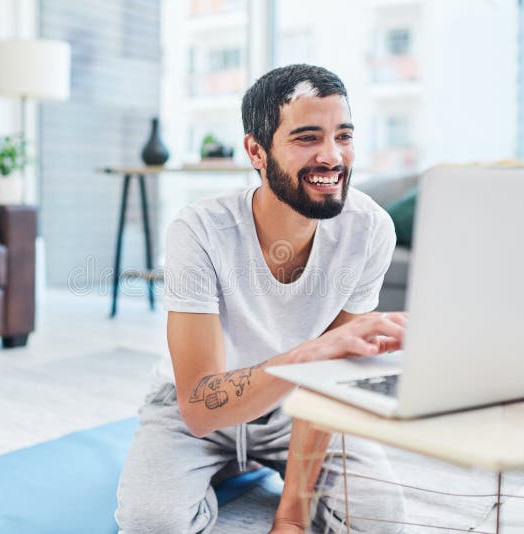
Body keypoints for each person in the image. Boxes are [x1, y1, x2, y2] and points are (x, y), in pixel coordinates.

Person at [116, 64, 406, 533]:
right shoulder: (200, 231)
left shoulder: (370, 230)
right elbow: (197, 405)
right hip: (195, 417)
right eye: (307, 138)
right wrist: (309, 354)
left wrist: (290, 517)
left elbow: (326, 381)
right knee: (152, 522)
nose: (332, 157)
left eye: (344, 136)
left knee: (381, 517)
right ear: (256, 150)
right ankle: (231, 465)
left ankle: (263, 469)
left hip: (298, 409)